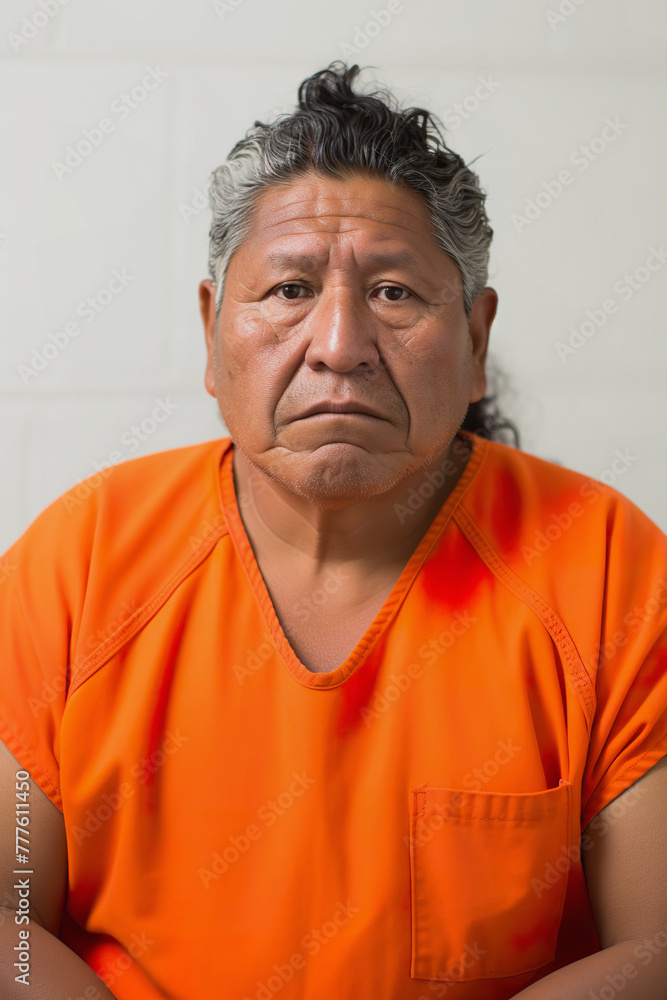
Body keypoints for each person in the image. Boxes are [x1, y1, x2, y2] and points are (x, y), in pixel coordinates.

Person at [1, 60, 666, 1000]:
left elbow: (655, 950)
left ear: (475, 342)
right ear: (210, 331)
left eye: (394, 292)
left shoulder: (607, 568)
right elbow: (8, 927)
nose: (339, 343)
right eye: (287, 290)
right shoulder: (79, 559)